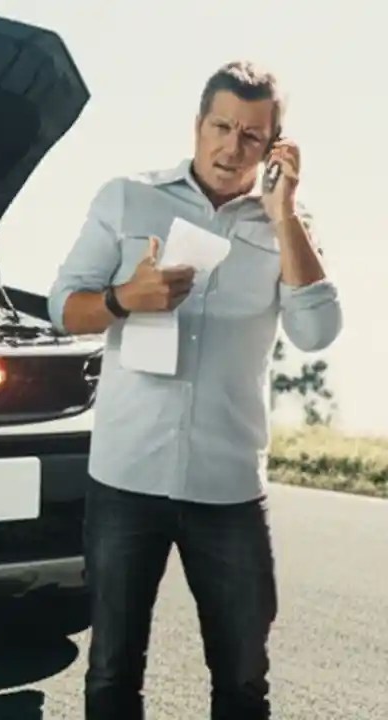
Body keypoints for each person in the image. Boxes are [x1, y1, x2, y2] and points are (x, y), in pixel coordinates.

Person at [46, 60, 343, 719]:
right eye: (221, 127)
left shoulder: (287, 226)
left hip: (229, 487)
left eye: (251, 136)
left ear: (274, 146)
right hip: (126, 477)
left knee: (242, 681)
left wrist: (284, 212)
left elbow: (317, 330)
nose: (231, 148)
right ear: (198, 123)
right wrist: (126, 299)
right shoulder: (126, 197)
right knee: (112, 674)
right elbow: (64, 307)